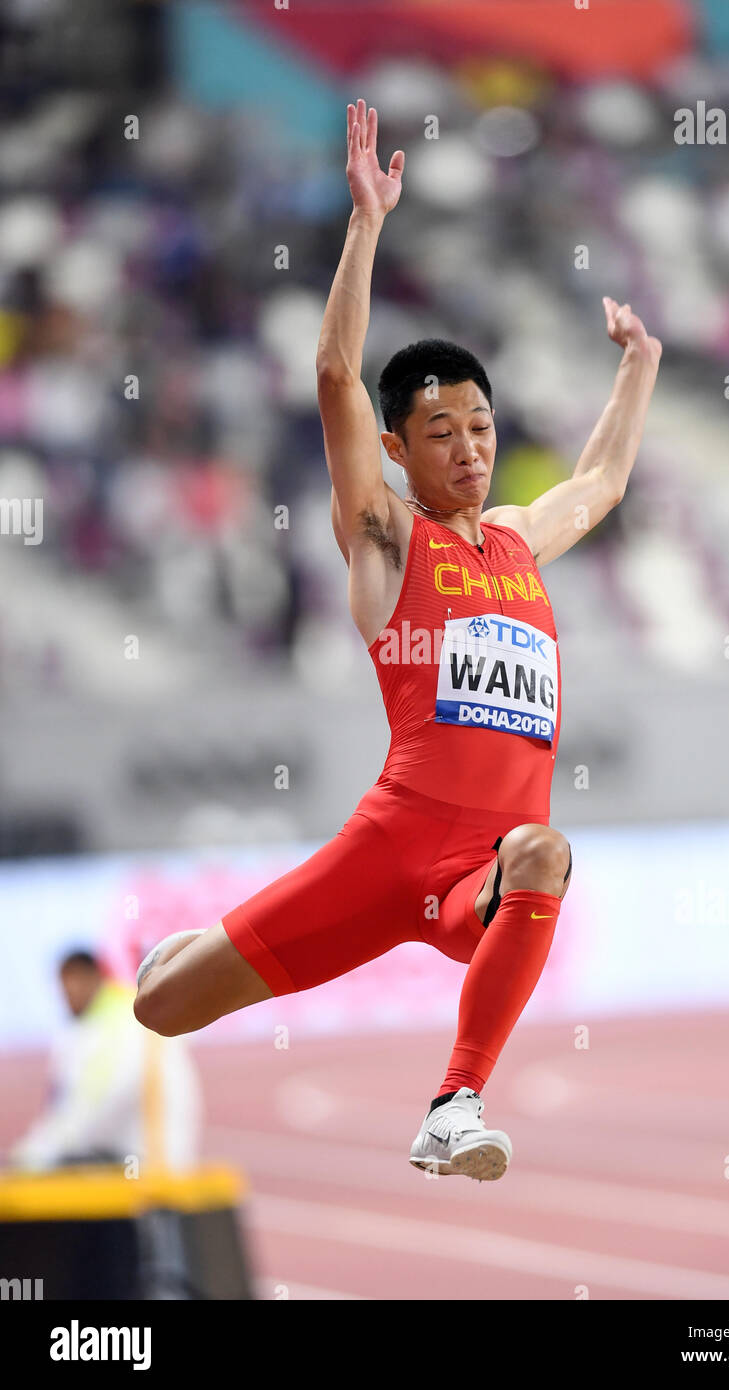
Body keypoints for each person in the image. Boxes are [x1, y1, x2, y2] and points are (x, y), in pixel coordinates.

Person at [134, 99, 661, 1182]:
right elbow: (332, 377)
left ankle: (452, 1100)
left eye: (480, 426)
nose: (469, 450)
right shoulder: (383, 538)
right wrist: (367, 222)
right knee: (159, 1009)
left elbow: (601, 482)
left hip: (484, 867)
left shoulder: (515, 538)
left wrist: (639, 365)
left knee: (546, 853)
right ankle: (181, 952)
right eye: (441, 432)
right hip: (387, 849)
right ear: (396, 448)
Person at [9, 949, 201, 1173]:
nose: (66, 995)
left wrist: (33, 1155)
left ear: (93, 978)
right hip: (146, 1157)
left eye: (71, 985)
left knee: (53, 1175)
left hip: (145, 1164)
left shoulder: (119, 1025)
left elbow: (91, 1104)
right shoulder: (110, 1021)